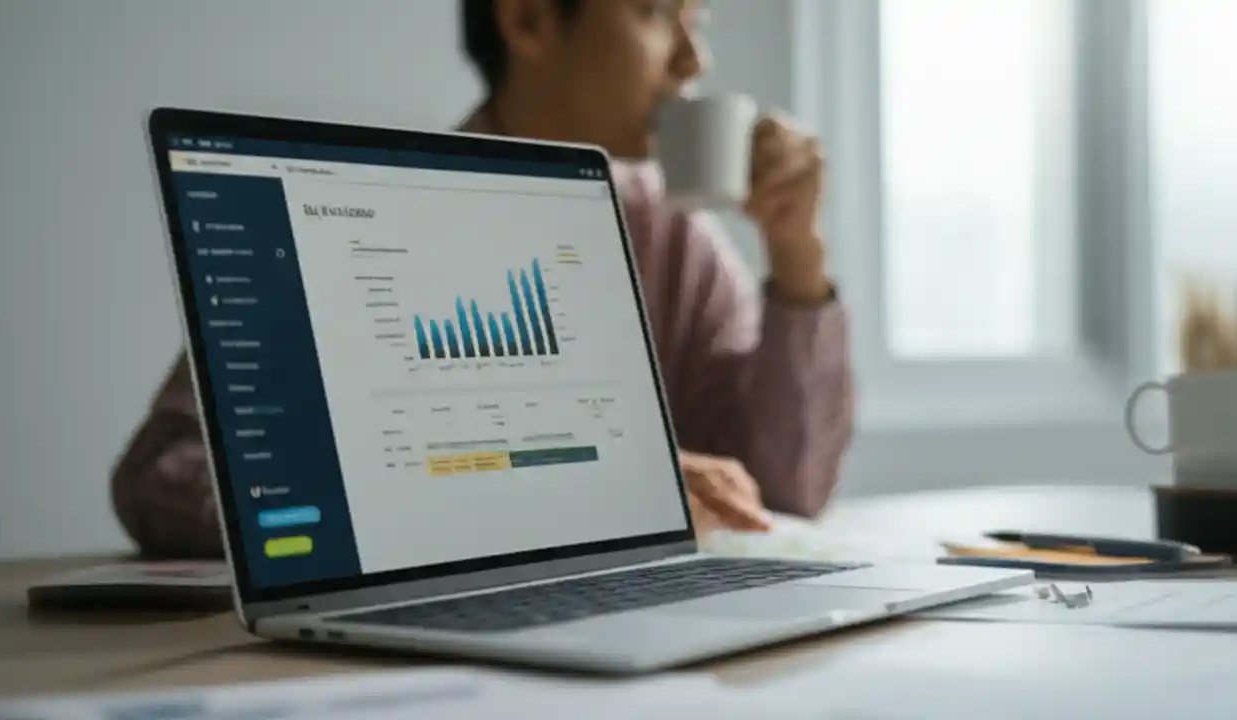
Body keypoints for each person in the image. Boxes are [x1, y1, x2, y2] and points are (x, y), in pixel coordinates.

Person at [111, 0, 853, 558]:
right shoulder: (347, 213)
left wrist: (796, 254)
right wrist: (561, 491)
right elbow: (163, 476)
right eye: (656, 13)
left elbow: (784, 493)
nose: (693, 61)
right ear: (528, 20)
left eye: (698, 21)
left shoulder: (676, 238)